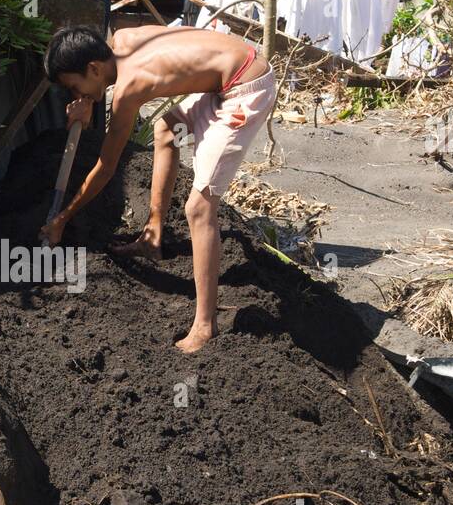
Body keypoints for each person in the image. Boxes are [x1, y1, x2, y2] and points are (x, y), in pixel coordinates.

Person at [39, 23, 277, 352]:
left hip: (245, 88)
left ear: (93, 68)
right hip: (230, 74)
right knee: (167, 129)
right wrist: (90, 97)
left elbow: (107, 167)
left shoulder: (129, 90)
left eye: (75, 87)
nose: (76, 96)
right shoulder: (121, 40)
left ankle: (205, 325)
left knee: (198, 207)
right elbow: (108, 77)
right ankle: (152, 235)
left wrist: (62, 217)